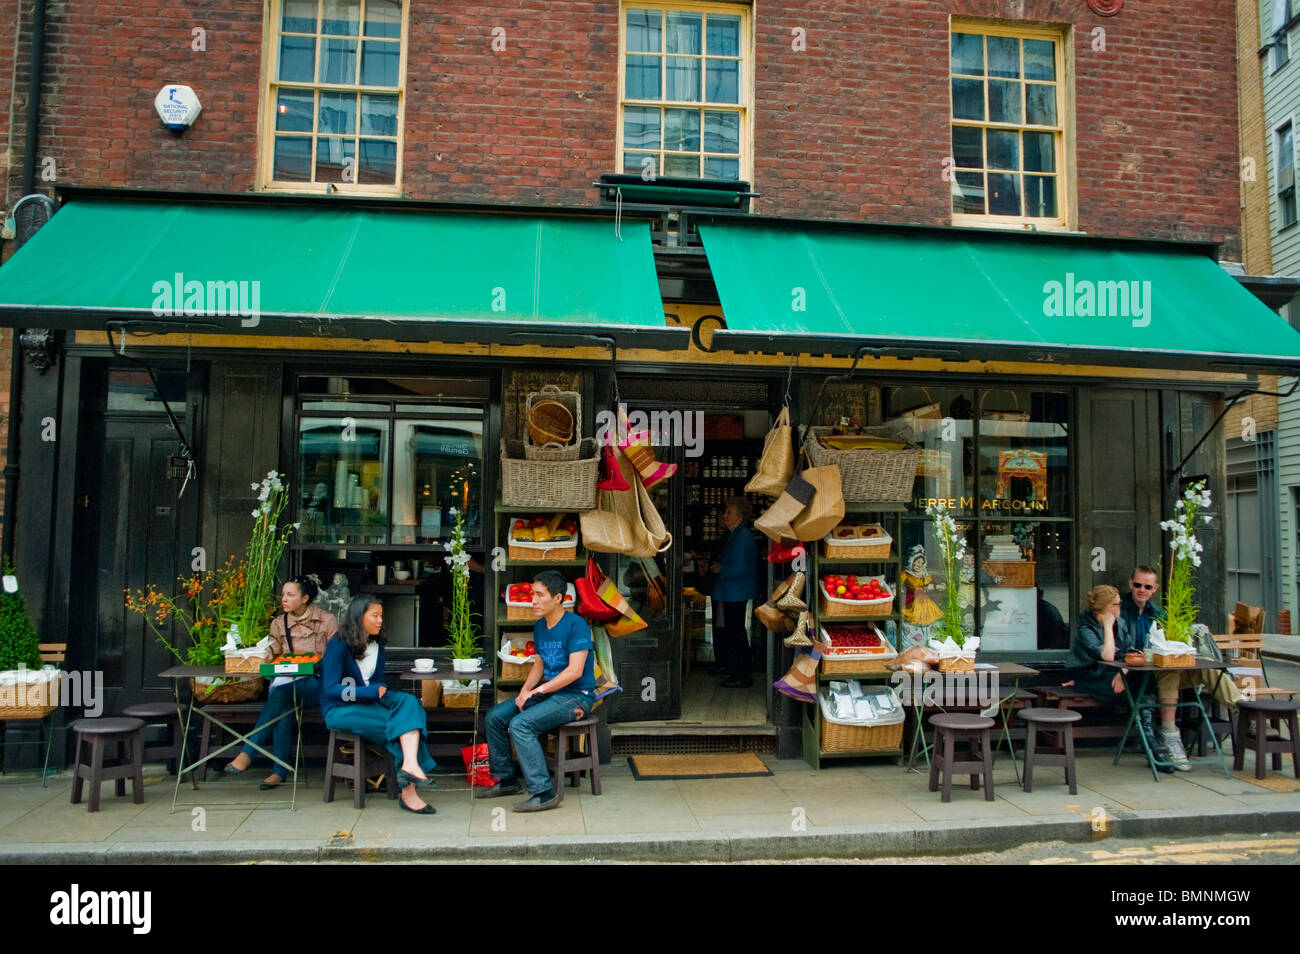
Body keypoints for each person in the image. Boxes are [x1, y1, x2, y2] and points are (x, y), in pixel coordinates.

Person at [476, 569, 596, 812]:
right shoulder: (541, 626)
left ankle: (543, 793)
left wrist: (538, 691)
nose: (534, 600)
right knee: (495, 717)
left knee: (521, 724)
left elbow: (574, 671)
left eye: (540, 595)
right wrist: (524, 691)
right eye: (533, 594)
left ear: (558, 598)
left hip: (576, 697)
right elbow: (540, 663)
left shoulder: (576, 625)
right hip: (550, 694)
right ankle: (507, 780)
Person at [320, 595, 440, 815]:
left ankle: (410, 764)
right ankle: (409, 793)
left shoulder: (377, 646)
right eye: (374, 615)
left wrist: (375, 691)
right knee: (398, 726)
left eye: (381, 616)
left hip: (370, 701)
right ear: (359, 617)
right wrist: (368, 691)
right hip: (340, 709)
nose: (380, 620)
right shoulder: (338, 645)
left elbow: (375, 682)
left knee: (409, 702)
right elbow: (331, 688)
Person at [224, 576, 336, 789]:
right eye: (283, 594)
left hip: (318, 684)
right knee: (283, 702)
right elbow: (274, 651)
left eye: (290, 595)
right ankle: (278, 771)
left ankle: (250, 754)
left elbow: (336, 656)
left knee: (281, 696)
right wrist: (261, 654)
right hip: (288, 683)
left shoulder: (327, 620)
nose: (284, 599)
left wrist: (315, 661)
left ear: (305, 598)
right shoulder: (279, 622)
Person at [710, 498, 759, 688]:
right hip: (732, 591)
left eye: (728, 512)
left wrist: (720, 568)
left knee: (736, 633)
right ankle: (737, 672)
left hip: (736, 592)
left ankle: (741, 675)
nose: (724, 516)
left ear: (740, 515)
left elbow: (739, 567)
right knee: (734, 632)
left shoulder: (743, 537)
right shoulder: (737, 535)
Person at [1121, 565, 1163, 651]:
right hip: (1124, 662)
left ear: (1155, 588)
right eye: (1137, 585)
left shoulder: (1160, 614)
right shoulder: (1118, 610)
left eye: (1148, 587)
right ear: (1131, 584)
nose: (1142, 590)